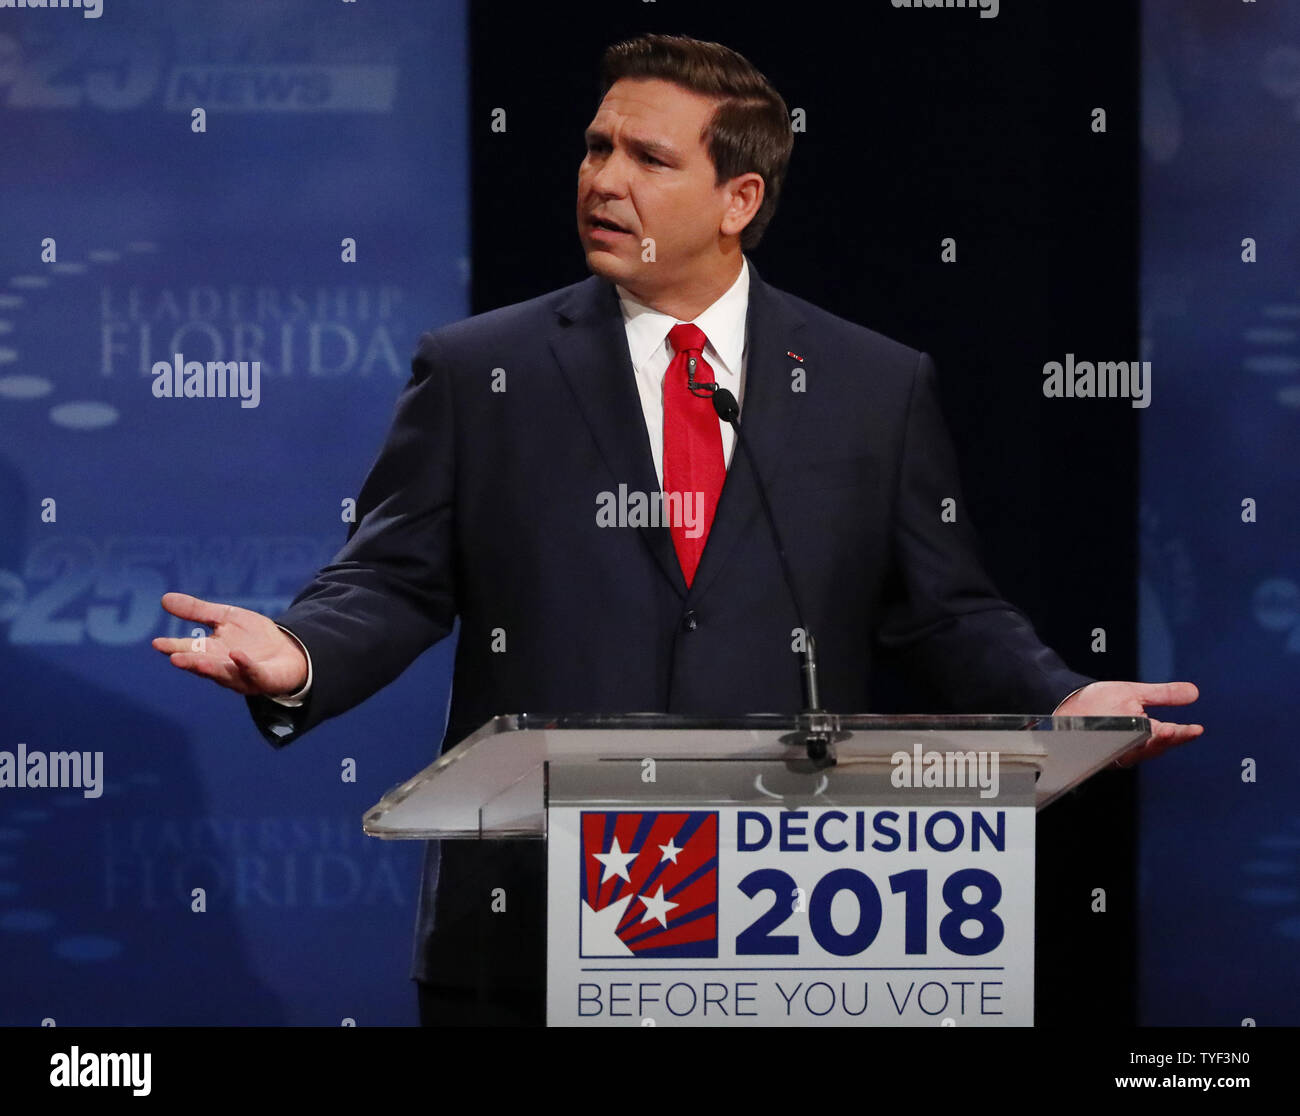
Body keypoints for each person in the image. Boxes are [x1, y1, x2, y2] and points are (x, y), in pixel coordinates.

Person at [152, 33, 1201, 1026]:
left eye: (647, 157)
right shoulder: (483, 372)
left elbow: (944, 612)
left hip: (785, 922)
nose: (603, 178)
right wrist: (296, 655)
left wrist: (1065, 699)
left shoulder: (870, 384)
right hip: (536, 918)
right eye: (596, 146)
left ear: (738, 197)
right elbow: (392, 580)